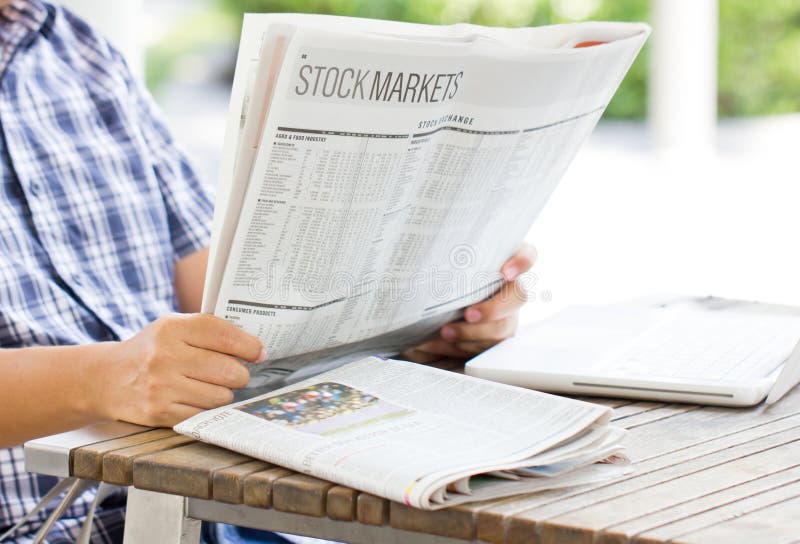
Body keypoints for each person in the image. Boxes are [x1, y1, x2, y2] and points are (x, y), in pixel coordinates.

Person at [0, 1, 535, 542]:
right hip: (46, 526)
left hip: (202, 506)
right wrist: (104, 378)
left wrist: (417, 319)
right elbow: (134, 368)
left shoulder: (70, 46)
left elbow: (226, 300)